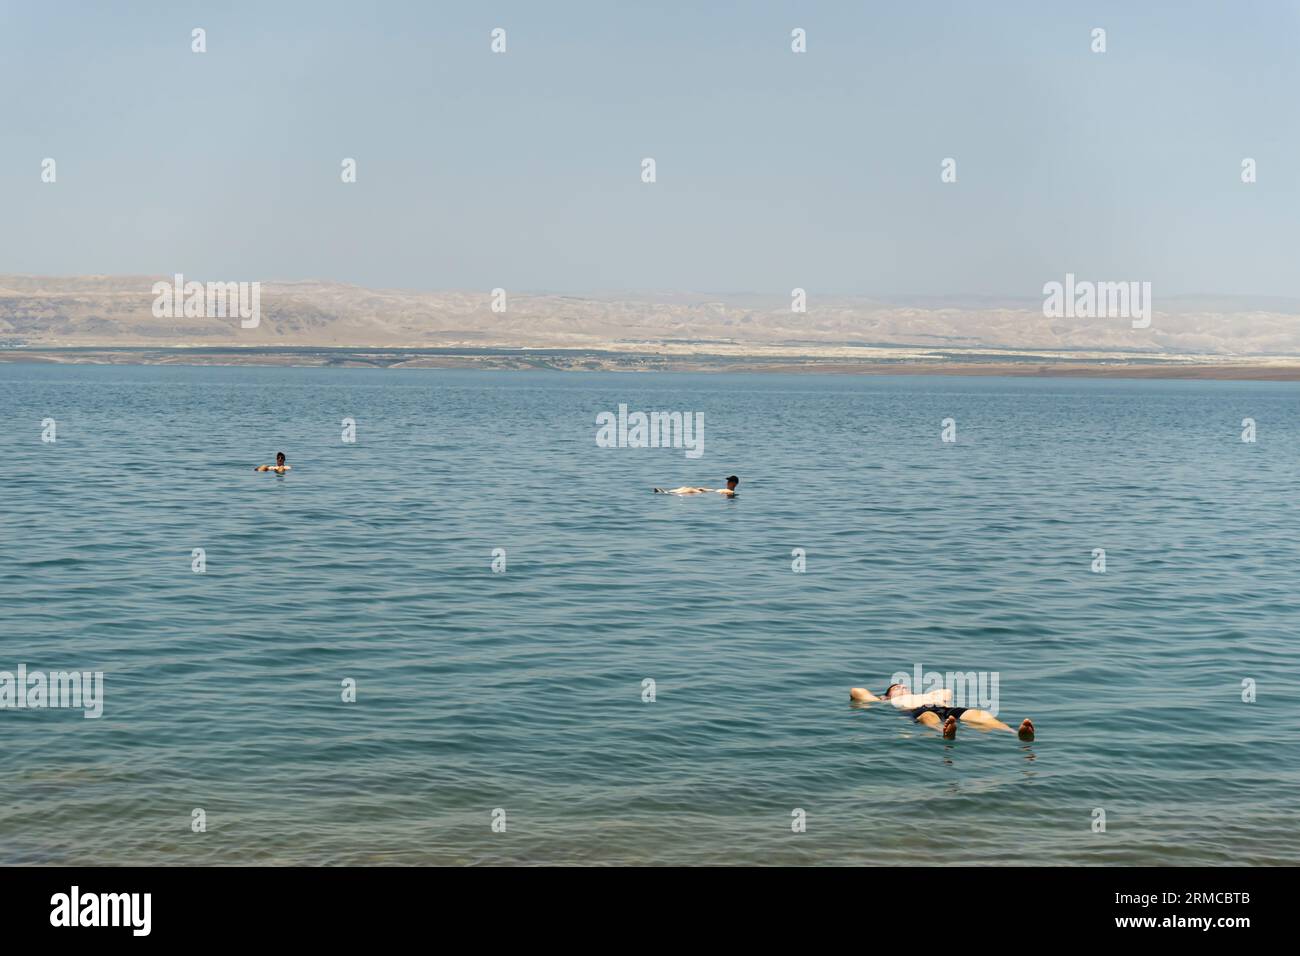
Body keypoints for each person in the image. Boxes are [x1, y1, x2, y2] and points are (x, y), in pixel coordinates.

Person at [850, 682, 1034, 741]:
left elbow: (946, 692)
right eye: (898, 687)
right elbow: (856, 692)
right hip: (919, 710)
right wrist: (881, 698)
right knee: (928, 717)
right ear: (887, 695)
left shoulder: (925, 694)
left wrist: (930, 696)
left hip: (946, 709)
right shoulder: (890, 700)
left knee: (980, 715)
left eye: (906, 686)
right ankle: (944, 731)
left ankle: (1013, 732)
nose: (903, 687)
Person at [654, 475, 739, 496]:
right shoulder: (727, 490)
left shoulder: (730, 492)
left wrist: (705, 491)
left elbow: (717, 493)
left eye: (729, 481)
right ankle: (666, 491)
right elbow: (714, 490)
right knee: (684, 488)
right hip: (706, 492)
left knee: (689, 489)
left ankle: (666, 493)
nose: (727, 483)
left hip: (706, 495)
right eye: (728, 481)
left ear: (734, 483)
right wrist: (704, 489)